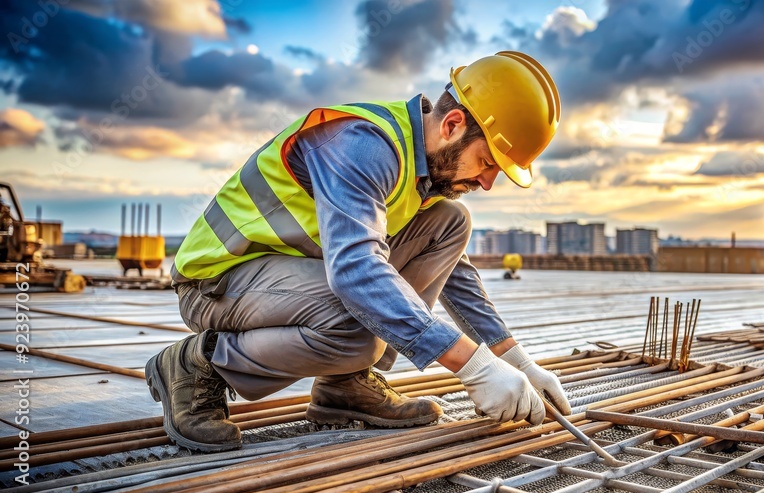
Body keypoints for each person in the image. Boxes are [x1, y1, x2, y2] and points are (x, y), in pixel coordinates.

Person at [146, 51, 572, 452]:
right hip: (219, 280)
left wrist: (514, 360)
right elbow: (355, 272)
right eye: (487, 162)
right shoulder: (364, 145)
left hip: (287, 276)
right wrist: (471, 366)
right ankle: (196, 364)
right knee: (356, 322)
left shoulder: (420, 171)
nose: (487, 183)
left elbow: (454, 275)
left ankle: (345, 384)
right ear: (452, 125)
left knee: (451, 223)